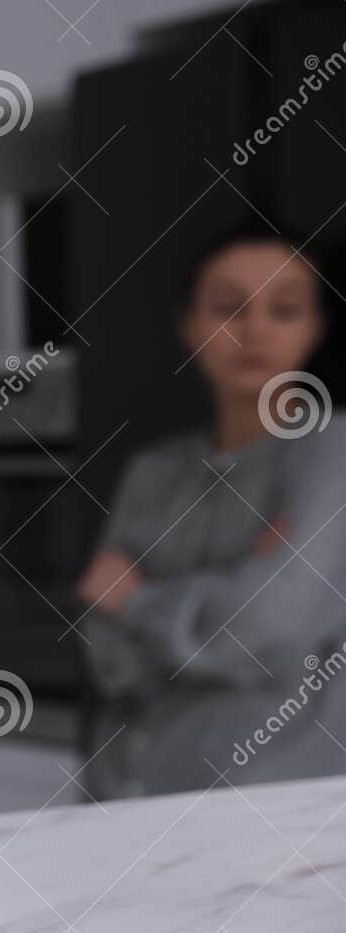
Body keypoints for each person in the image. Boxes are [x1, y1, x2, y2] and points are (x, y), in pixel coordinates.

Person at [77, 223, 345, 798]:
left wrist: (139, 601)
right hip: (119, 790)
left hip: (267, 806)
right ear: (191, 325)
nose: (254, 330)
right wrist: (233, 589)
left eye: (284, 309)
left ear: (316, 327)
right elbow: (106, 653)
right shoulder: (154, 470)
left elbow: (273, 624)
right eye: (229, 307)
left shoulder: (333, 452)